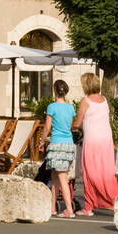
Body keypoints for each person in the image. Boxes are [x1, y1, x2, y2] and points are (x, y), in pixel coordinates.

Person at [74, 72, 118, 216]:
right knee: (107, 172)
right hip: (106, 139)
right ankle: (113, 200)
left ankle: (89, 206)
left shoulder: (85, 101)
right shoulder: (104, 99)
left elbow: (78, 123)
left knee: (90, 173)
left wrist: (69, 125)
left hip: (92, 139)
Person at [41, 79, 77, 218]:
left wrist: (42, 140)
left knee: (62, 177)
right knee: (55, 176)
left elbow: (47, 127)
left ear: (55, 91)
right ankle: (52, 207)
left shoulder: (52, 107)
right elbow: (70, 126)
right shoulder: (70, 108)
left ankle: (69, 210)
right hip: (68, 144)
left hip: (57, 144)